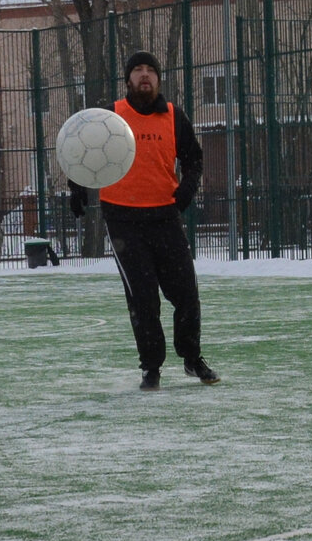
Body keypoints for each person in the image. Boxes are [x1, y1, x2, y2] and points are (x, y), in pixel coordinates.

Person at [69, 51, 220, 392]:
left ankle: (192, 358)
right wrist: (76, 188)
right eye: (138, 70)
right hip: (123, 219)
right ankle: (151, 368)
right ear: (128, 80)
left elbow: (194, 159)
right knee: (143, 298)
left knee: (186, 294)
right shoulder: (110, 117)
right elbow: (81, 150)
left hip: (165, 216)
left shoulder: (173, 116)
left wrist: (186, 191)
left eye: (150, 70)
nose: (144, 75)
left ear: (159, 79)